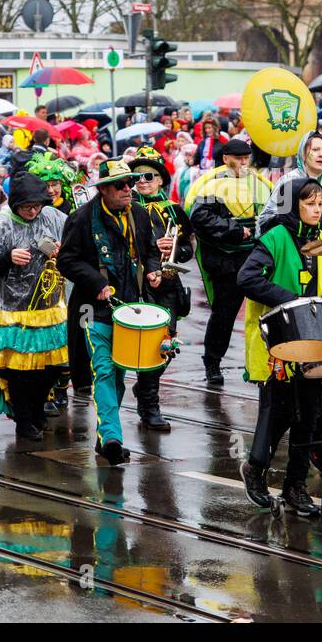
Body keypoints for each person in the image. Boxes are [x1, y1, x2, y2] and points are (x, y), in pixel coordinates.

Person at [237, 178, 322, 517]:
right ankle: (256, 470)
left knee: (309, 413)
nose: (317, 208)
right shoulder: (275, 237)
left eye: (320, 203)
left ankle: (295, 486)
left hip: (311, 339)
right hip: (274, 340)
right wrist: (292, 300)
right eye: (309, 203)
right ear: (294, 206)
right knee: (277, 410)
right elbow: (247, 279)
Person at [56, 158, 162, 465]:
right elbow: (67, 261)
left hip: (131, 308)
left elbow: (151, 251)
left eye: (130, 183)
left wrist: (153, 270)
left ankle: (105, 438)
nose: (129, 189)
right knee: (103, 370)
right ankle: (113, 437)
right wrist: (96, 281)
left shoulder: (140, 215)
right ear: (103, 189)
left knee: (118, 375)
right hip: (94, 309)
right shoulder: (81, 218)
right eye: (120, 185)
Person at [0, 172, 68, 439]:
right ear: (15, 204)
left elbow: (74, 248)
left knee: (51, 365)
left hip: (47, 306)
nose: (33, 211)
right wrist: (7, 257)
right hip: (10, 309)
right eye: (27, 206)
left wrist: (60, 251)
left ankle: (37, 408)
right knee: (18, 368)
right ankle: (23, 418)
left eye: (37, 205)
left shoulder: (51, 217)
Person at [186, 139, 272, 387]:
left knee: (264, 313)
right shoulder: (211, 185)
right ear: (226, 159)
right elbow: (200, 217)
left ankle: (264, 363)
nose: (244, 163)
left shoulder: (258, 183)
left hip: (254, 257)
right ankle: (212, 363)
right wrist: (236, 230)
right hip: (226, 260)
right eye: (239, 158)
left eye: (247, 158)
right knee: (224, 315)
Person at [130, 146, 194, 432]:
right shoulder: (127, 209)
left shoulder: (173, 211)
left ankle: (146, 391)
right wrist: (151, 248)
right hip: (136, 283)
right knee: (144, 346)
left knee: (165, 345)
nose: (142, 181)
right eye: (136, 177)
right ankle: (149, 405)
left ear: (160, 181)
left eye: (149, 176)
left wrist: (175, 249)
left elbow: (187, 250)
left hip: (168, 284)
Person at [256, 130, 322, 235]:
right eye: (315, 150)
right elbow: (270, 218)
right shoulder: (289, 181)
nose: (321, 155)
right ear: (304, 155)